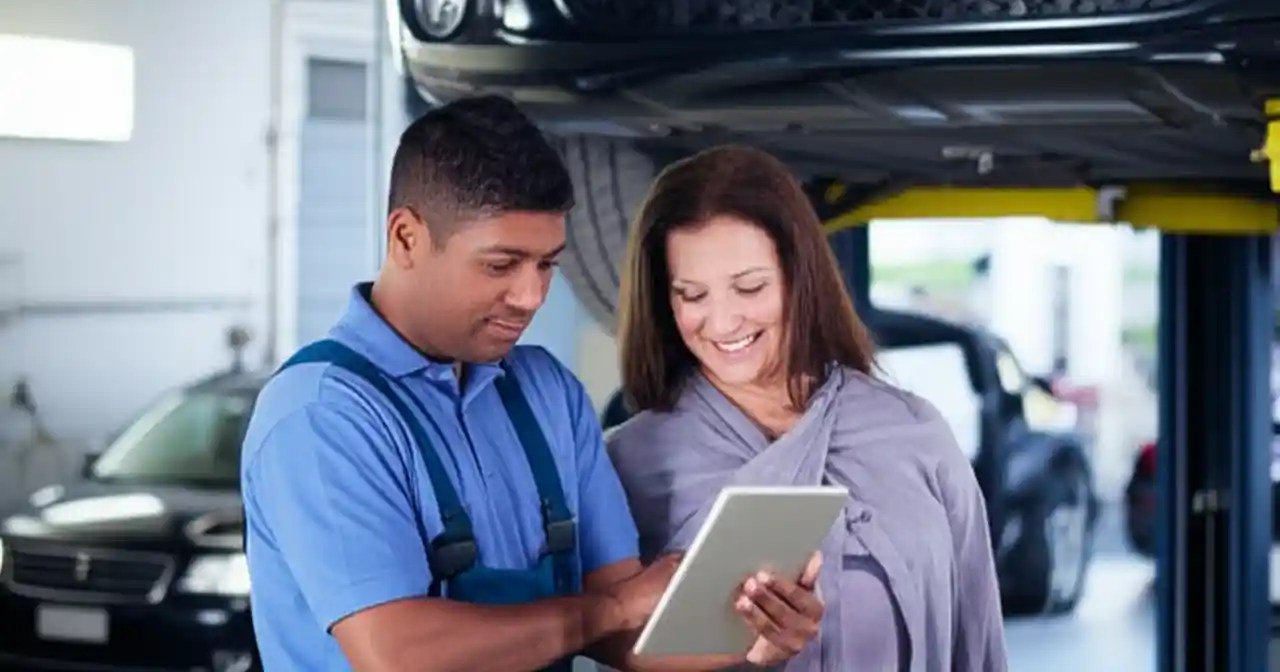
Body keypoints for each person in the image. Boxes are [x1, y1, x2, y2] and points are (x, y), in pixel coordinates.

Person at [239, 96, 825, 672]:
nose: (531, 297)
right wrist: (605, 610)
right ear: (406, 238)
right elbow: (398, 655)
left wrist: (750, 638)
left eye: (546, 264)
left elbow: (632, 630)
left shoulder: (547, 393)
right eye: (501, 265)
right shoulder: (320, 415)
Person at [607, 146, 1010, 672]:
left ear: (800, 278)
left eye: (749, 287)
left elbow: (976, 639)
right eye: (692, 295)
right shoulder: (631, 464)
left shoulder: (914, 434)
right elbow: (606, 646)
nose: (723, 321)